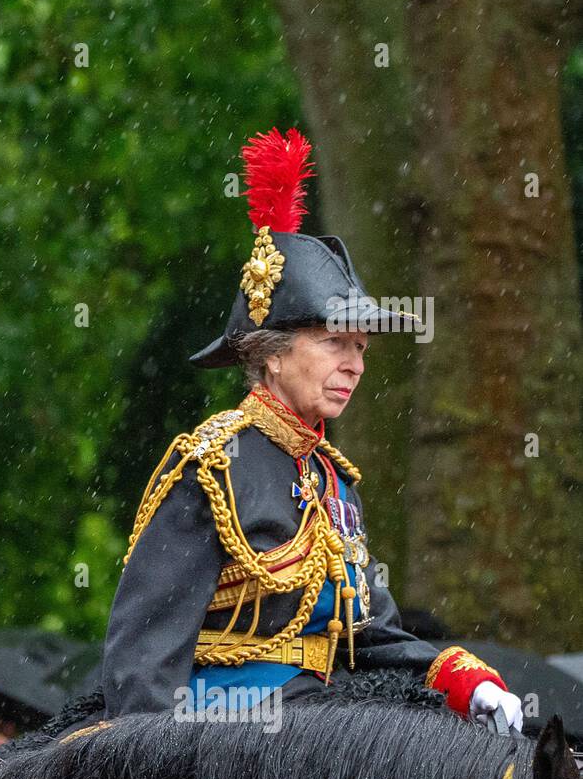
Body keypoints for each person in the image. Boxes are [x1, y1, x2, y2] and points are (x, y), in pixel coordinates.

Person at [102, 128, 523, 730]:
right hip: (229, 734)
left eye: (360, 346)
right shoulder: (212, 466)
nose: (353, 363)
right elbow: (142, 665)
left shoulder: (333, 482)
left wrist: (466, 682)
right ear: (270, 354)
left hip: (329, 720)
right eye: (333, 343)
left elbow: (369, 635)